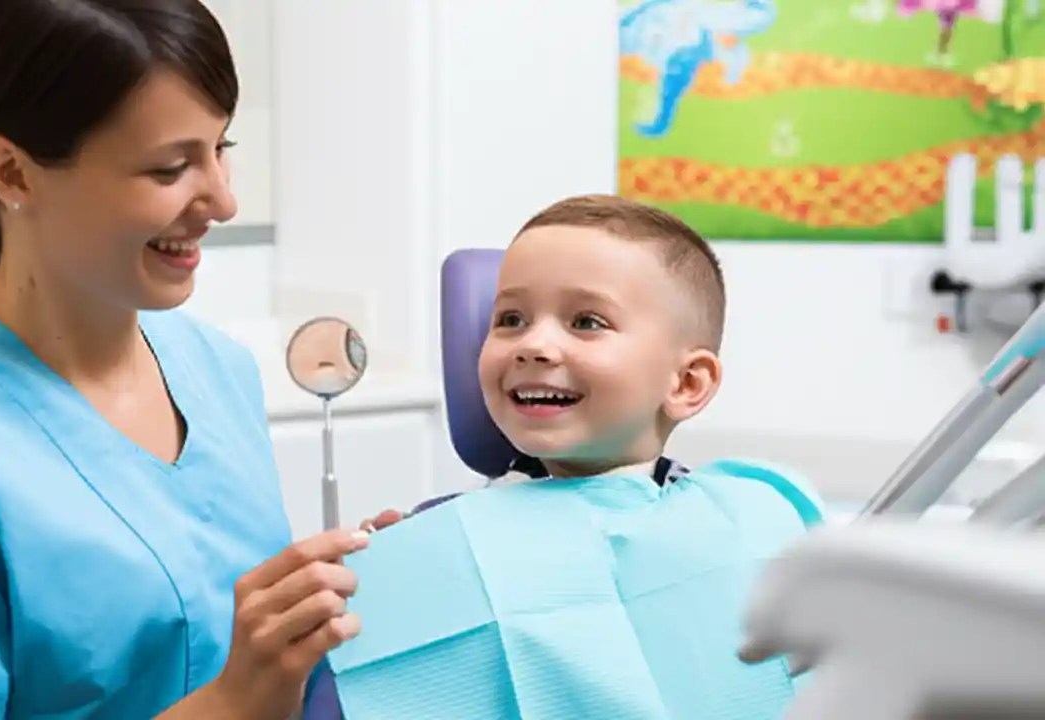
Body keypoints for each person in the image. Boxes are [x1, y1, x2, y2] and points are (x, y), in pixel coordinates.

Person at [0, 2, 370, 718]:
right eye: (170, 167)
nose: (222, 199)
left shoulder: (216, 369)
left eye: (222, 149)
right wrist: (228, 706)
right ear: (12, 171)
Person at [303, 194, 820, 717]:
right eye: (510, 318)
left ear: (686, 382)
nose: (533, 344)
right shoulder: (439, 540)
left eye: (587, 322)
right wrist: (386, 582)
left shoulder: (751, 523)